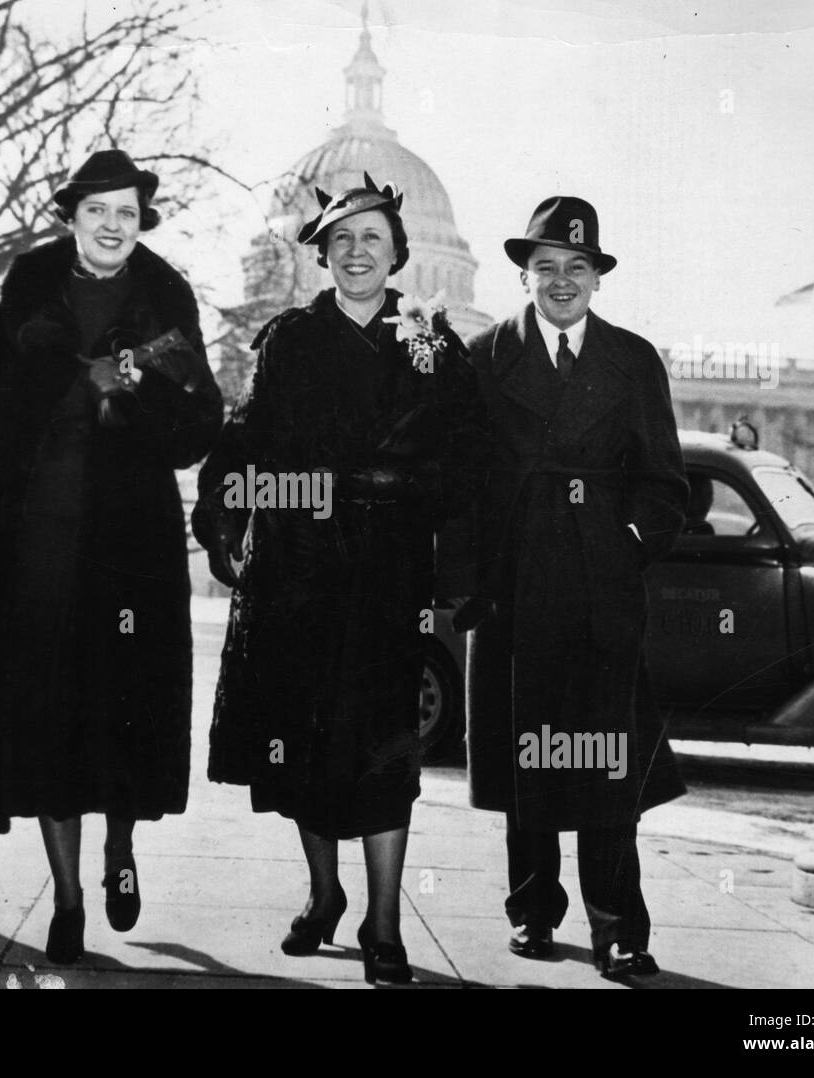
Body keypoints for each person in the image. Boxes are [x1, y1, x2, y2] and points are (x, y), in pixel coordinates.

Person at [193, 175, 484, 985]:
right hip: (298, 570)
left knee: (385, 750)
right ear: (322, 255)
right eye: (342, 239)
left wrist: (453, 558)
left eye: (372, 238)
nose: (357, 252)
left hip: (388, 573)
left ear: (398, 254)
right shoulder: (290, 341)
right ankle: (324, 895)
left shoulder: (436, 346)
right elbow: (247, 438)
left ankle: (383, 924)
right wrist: (225, 519)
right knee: (305, 745)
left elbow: (470, 462)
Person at [0, 149, 223, 965]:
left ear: (142, 222)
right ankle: (68, 897)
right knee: (49, 715)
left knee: (126, 706)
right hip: (40, 535)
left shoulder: (166, 296)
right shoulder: (28, 286)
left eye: (126, 213)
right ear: (71, 217)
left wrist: (137, 385)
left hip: (132, 543)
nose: (112, 225)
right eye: (97, 211)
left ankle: (121, 847)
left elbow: (200, 423)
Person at [457, 195, 688, 979]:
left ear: (597, 278)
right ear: (523, 276)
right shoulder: (485, 357)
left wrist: (629, 543)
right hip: (516, 584)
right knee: (529, 753)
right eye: (546, 266)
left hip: (600, 586)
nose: (562, 280)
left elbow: (665, 482)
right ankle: (532, 910)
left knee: (604, 761)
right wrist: (473, 579)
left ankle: (618, 928)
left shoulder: (633, 360)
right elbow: (464, 482)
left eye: (577, 267)